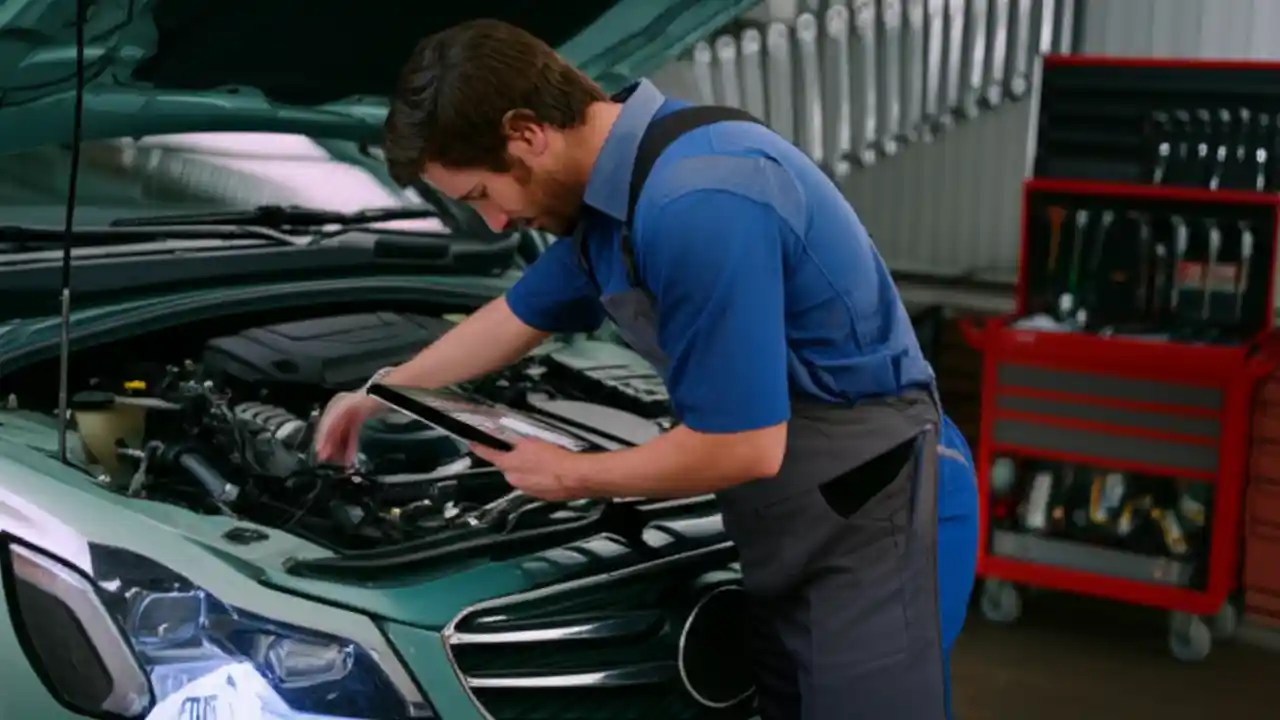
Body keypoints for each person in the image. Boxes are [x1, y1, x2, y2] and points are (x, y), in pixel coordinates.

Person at [316, 18, 974, 720]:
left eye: (481, 196)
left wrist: (570, 475)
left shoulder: (697, 201)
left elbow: (744, 444)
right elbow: (513, 318)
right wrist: (381, 392)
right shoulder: (614, 200)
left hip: (876, 507)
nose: (498, 226)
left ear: (527, 133)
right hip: (790, 512)